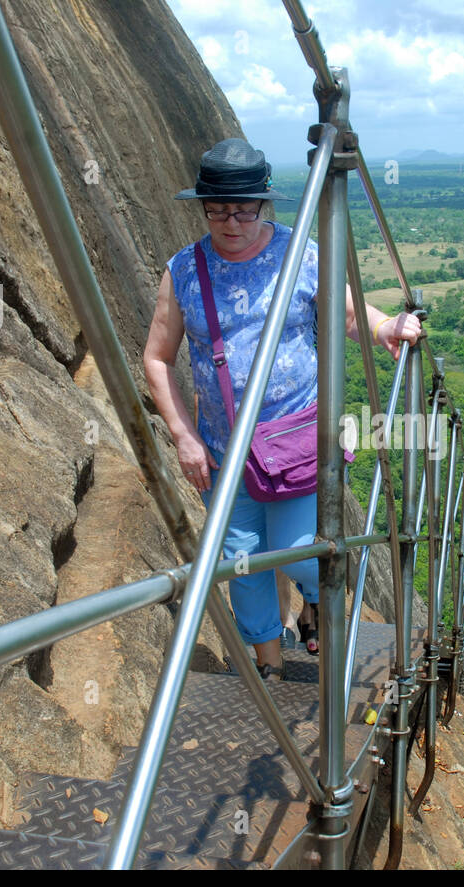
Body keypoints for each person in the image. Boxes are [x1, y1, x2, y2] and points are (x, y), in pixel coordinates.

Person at [143, 138, 421, 682]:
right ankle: (268, 666)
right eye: (217, 209)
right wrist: (184, 435)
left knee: (297, 553)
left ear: (263, 205)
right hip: (223, 452)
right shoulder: (184, 271)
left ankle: (316, 601)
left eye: (243, 208)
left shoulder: (300, 255)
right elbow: (157, 358)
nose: (231, 221)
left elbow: (345, 311)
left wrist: (386, 325)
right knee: (243, 563)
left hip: (296, 442)